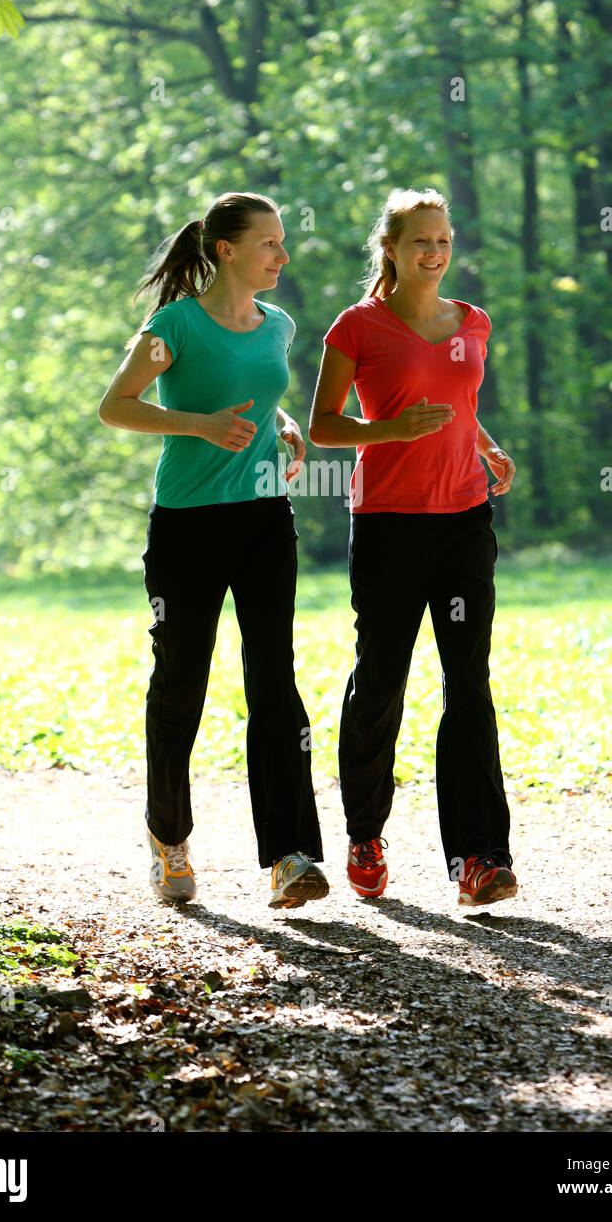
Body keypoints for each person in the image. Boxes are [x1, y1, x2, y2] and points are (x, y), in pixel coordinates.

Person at [98, 192, 328, 910]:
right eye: (269, 244)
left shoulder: (278, 325)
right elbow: (117, 404)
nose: (282, 256)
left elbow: (257, 391)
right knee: (181, 686)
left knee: (274, 683)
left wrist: (283, 424)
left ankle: (290, 857)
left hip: (264, 519)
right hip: (188, 527)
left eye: (283, 242)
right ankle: (169, 842)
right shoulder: (174, 325)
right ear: (226, 250)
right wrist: (196, 424)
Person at [308, 187, 517, 907]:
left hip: (464, 519)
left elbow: (459, 405)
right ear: (390, 249)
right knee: (383, 677)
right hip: (390, 524)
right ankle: (365, 831)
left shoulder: (473, 323)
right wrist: (390, 433)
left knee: (469, 684)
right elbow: (325, 427)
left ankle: (481, 857)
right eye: (420, 241)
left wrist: (485, 446)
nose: (434, 252)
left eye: (444, 241)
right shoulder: (356, 327)